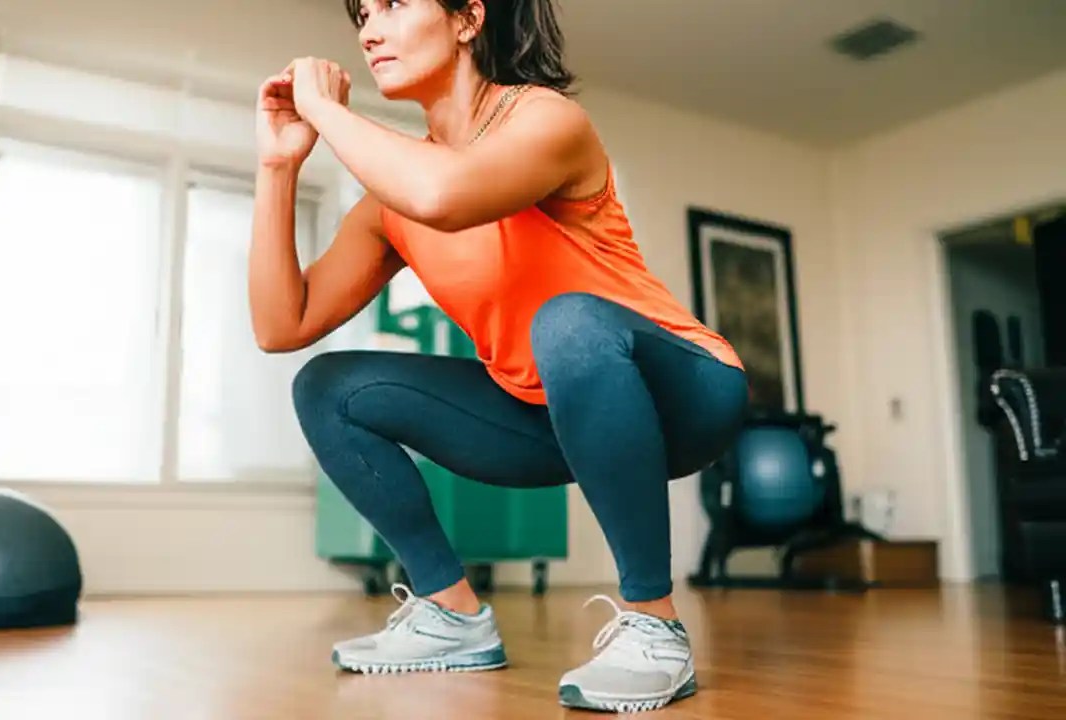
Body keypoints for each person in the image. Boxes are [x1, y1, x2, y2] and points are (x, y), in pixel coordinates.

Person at [250, 0, 747, 712]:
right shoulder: (391, 202)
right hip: (546, 415)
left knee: (567, 322)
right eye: (361, 12)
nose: (369, 27)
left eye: (393, 4)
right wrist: (278, 164)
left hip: (687, 391)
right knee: (327, 386)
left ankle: (654, 624)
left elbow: (446, 194)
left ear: (467, 19)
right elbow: (281, 324)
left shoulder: (545, 120)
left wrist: (325, 114)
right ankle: (450, 613)